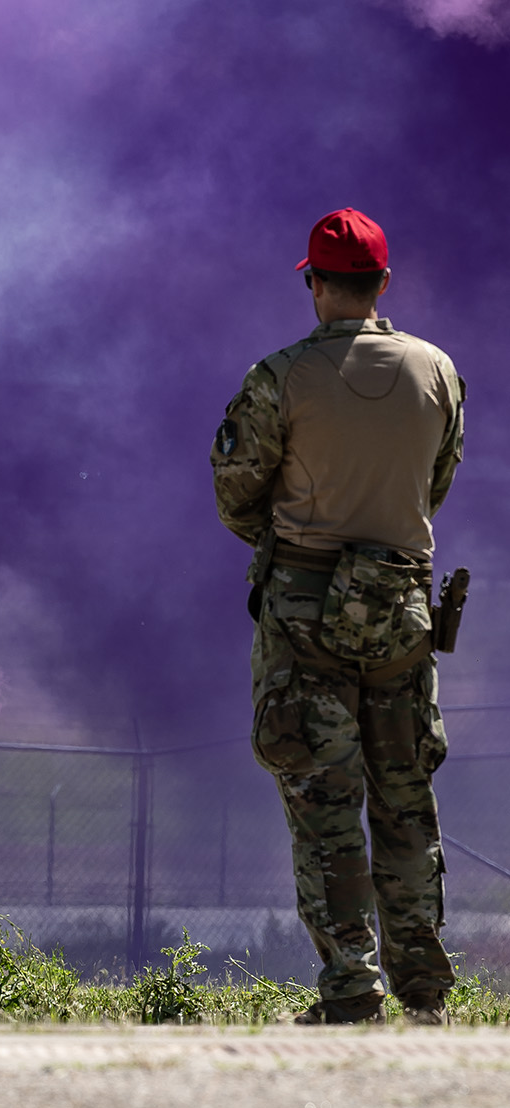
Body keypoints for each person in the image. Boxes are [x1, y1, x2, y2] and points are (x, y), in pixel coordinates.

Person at [212, 208, 464, 1026]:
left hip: (305, 616)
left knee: (325, 803)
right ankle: (425, 992)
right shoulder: (438, 372)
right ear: (384, 283)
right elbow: (437, 484)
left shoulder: (278, 377)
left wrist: (295, 536)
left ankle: (353, 989)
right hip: (400, 615)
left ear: (314, 285)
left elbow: (234, 491)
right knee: (405, 801)